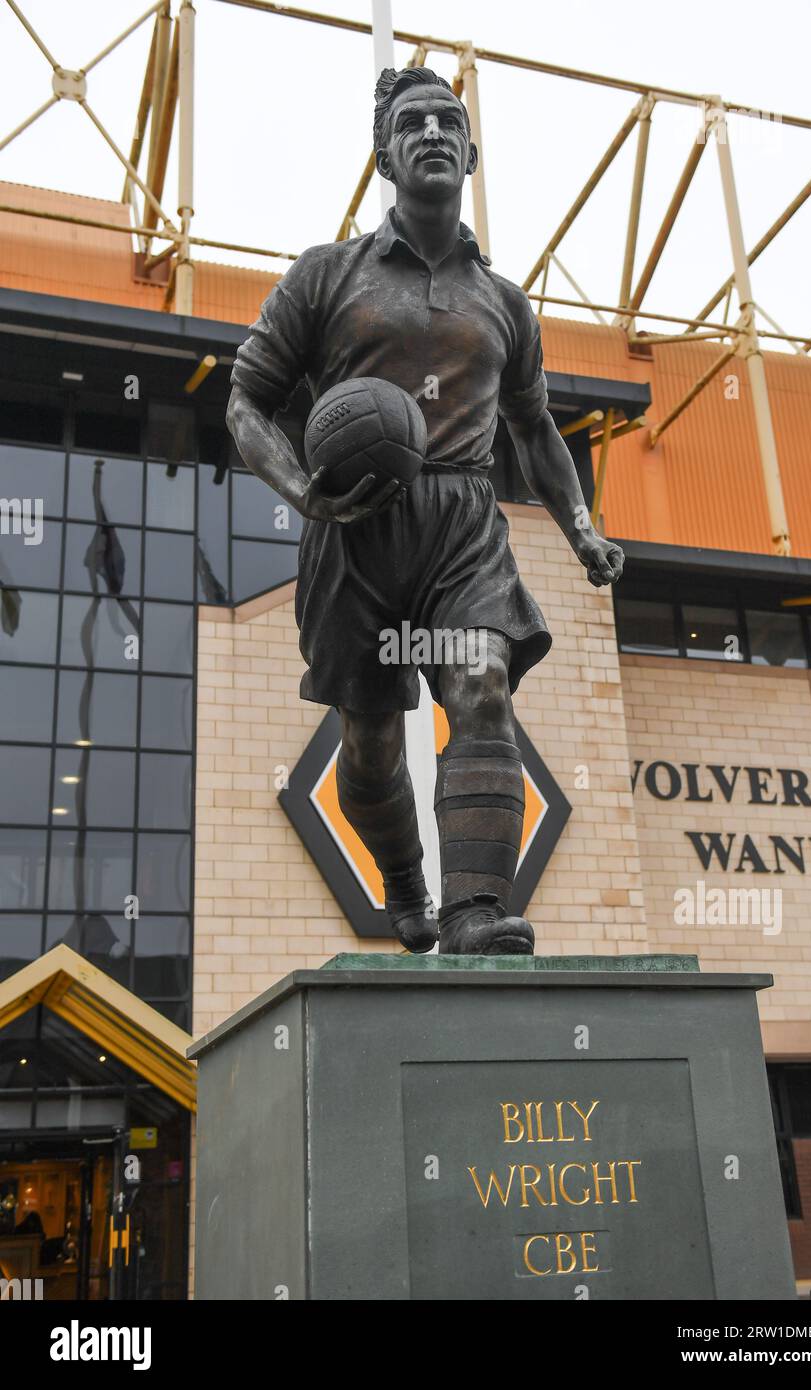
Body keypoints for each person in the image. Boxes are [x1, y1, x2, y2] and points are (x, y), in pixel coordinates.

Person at [227, 66, 624, 955]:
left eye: (450, 120)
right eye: (412, 123)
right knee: (367, 750)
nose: (433, 132)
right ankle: (403, 881)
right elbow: (245, 401)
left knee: (482, 688)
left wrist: (583, 528)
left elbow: (535, 431)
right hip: (354, 528)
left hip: (462, 527)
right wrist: (301, 491)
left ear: (471, 152)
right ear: (384, 154)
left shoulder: (504, 304)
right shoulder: (326, 276)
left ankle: (477, 910)